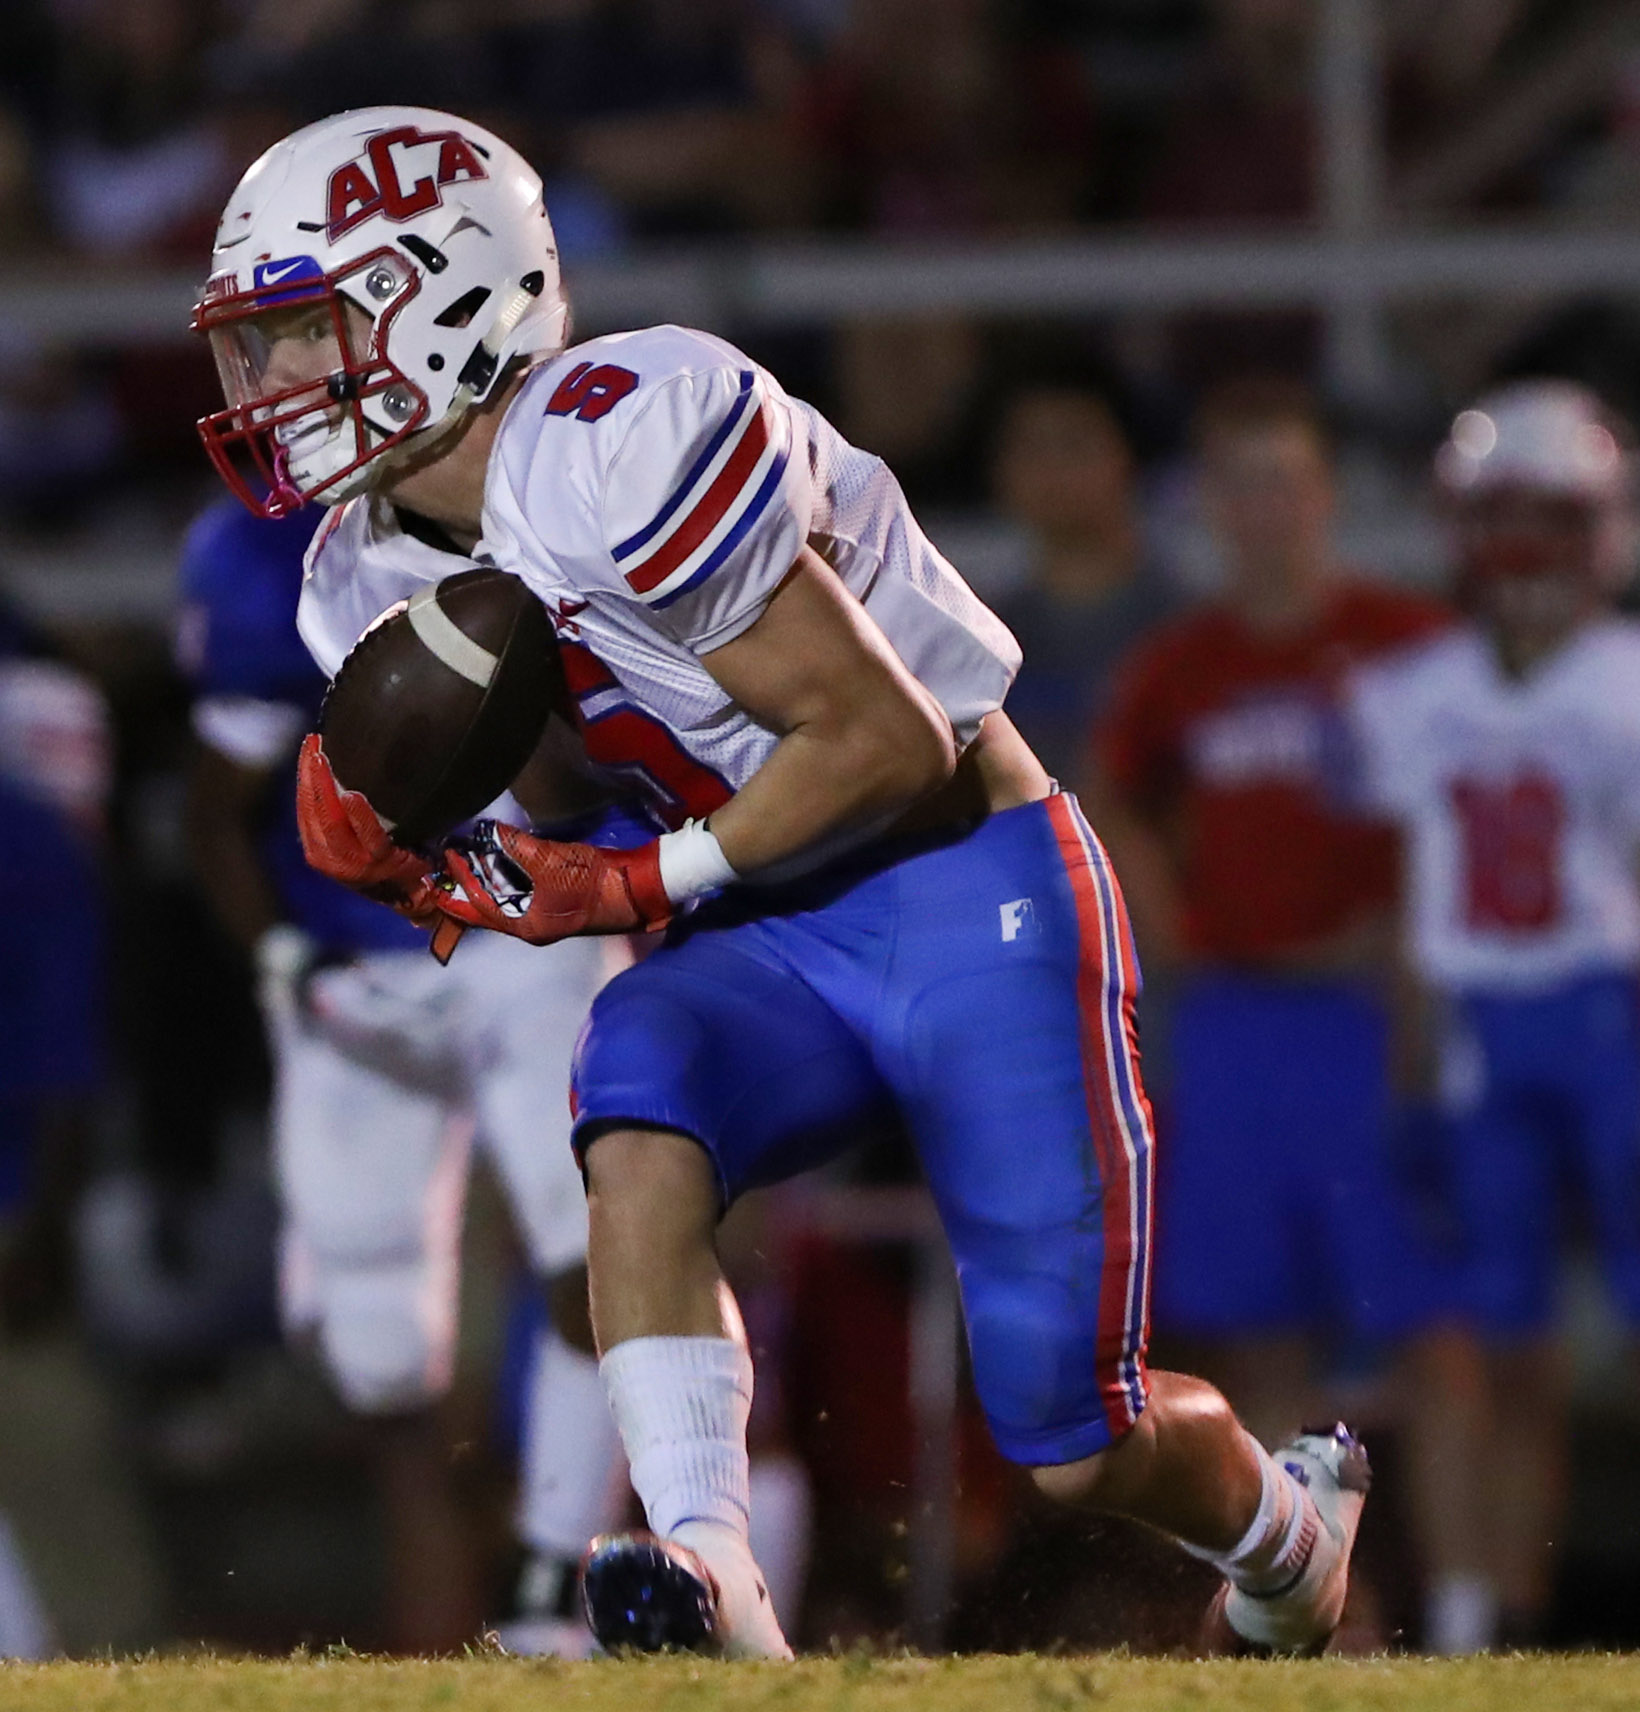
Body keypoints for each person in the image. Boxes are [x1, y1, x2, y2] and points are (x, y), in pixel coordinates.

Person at [191, 105, 1370, 1659]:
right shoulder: (363, 571)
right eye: (251, 343)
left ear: (442, 294)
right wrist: (431, 847)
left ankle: (1292, 1542)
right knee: (636, 1078)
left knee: (1077, 1435)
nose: (265, 383)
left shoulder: (628, 425)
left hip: (969, 876)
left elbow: (879, 736)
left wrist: (622, 887)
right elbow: (557, 803)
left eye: (297, 331)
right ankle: (709, 1566)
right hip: (772, 918)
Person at [177, 493, 627, 1656]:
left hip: (527, 933)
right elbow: (214, 802)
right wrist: (283, 952)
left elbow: (606, 788)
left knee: (602, 1244)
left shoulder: (563, 493)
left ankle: (551, 1585)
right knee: (377, 1363)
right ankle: (450, 1608)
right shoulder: (266, 555)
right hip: (356, 971)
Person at [1090, 376, 1447, 1449]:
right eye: (1239, 486)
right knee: (1257, 1331)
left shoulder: (1406, 644)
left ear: (1325, 494)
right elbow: (1105, 798)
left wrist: (1418, 964)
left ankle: (1470, 1601)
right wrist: (1168, 935)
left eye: (1284, 482)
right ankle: (1303, 1594)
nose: (1264, 510)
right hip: (1237, 1013)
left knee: (1434, 1325)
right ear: (1207, 505)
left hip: (1372, 1004)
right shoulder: (1178, 666)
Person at [1346, 380, 1640, 1653]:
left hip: (1609, 1011)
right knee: (1500, 1346)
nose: (1525, 549)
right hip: (1476, 1020)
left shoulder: (1624, 679)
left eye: (1551, 517)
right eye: (1503, 514)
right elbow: (1386, 883)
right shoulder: (1409, 690)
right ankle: (1492, 1626)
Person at [988, 378, 1177, 788]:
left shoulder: (1182, 627)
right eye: (1032, 449)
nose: (1052, 469)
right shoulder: (983, 634)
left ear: (1126, 457)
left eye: (1073, 445)